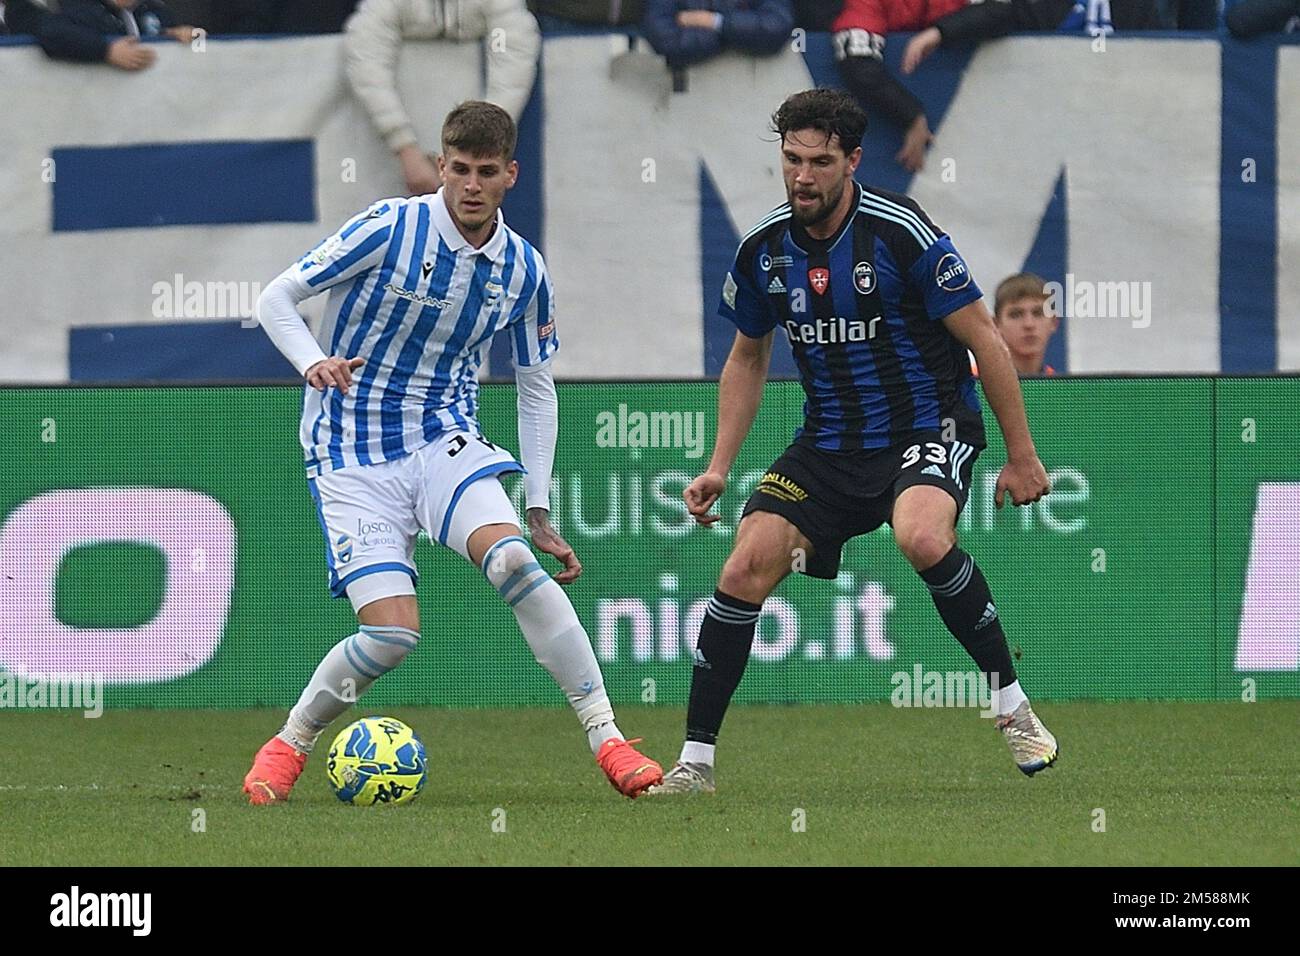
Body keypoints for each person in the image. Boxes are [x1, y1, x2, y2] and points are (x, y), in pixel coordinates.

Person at [244, 100, 663, 805]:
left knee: (512, 560)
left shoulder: (524, 270)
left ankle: (608, 738)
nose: (470, 184)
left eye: (486, 172)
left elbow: (537, 389)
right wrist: (313, 360)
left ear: (509, 176)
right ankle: (291, 741)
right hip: (350, 450)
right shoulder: (389, 227)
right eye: (459, 169)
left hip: (444, 437)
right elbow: (277, 298)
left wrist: (537, 505)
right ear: (441, 167)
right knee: (392, 639)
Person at [649, 87, 1058, 795]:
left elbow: (985, 338)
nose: (803, 176)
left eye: (820, 161)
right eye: (791, 159)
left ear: (853, 160)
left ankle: (1011, 704)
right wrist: (719, 465)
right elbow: (748, 358)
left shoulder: (902, 232)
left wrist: (1022, 455)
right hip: (831, 443)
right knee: (744, 565)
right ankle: (695, 765)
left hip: (926, 423)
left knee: (922, 536)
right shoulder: (763, 249)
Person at [344, 0, 542, 197]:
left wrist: (483, 143)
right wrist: (405, 149)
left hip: (480, 152)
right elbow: (366, 58)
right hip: (388, 167)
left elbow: (515, 55)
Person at [641, 0, 794, 70]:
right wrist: (734, 34)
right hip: (687, 93)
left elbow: (775, 26)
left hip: (757, 87)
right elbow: (663, 37)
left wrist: (715, 22)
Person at [989, 272, 1058, 377]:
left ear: (1054, 322)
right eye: (1016, 315)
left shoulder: (1061, 387)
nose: (1028, 324)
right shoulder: (972, 385)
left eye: (1038, 313)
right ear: (996, 324)